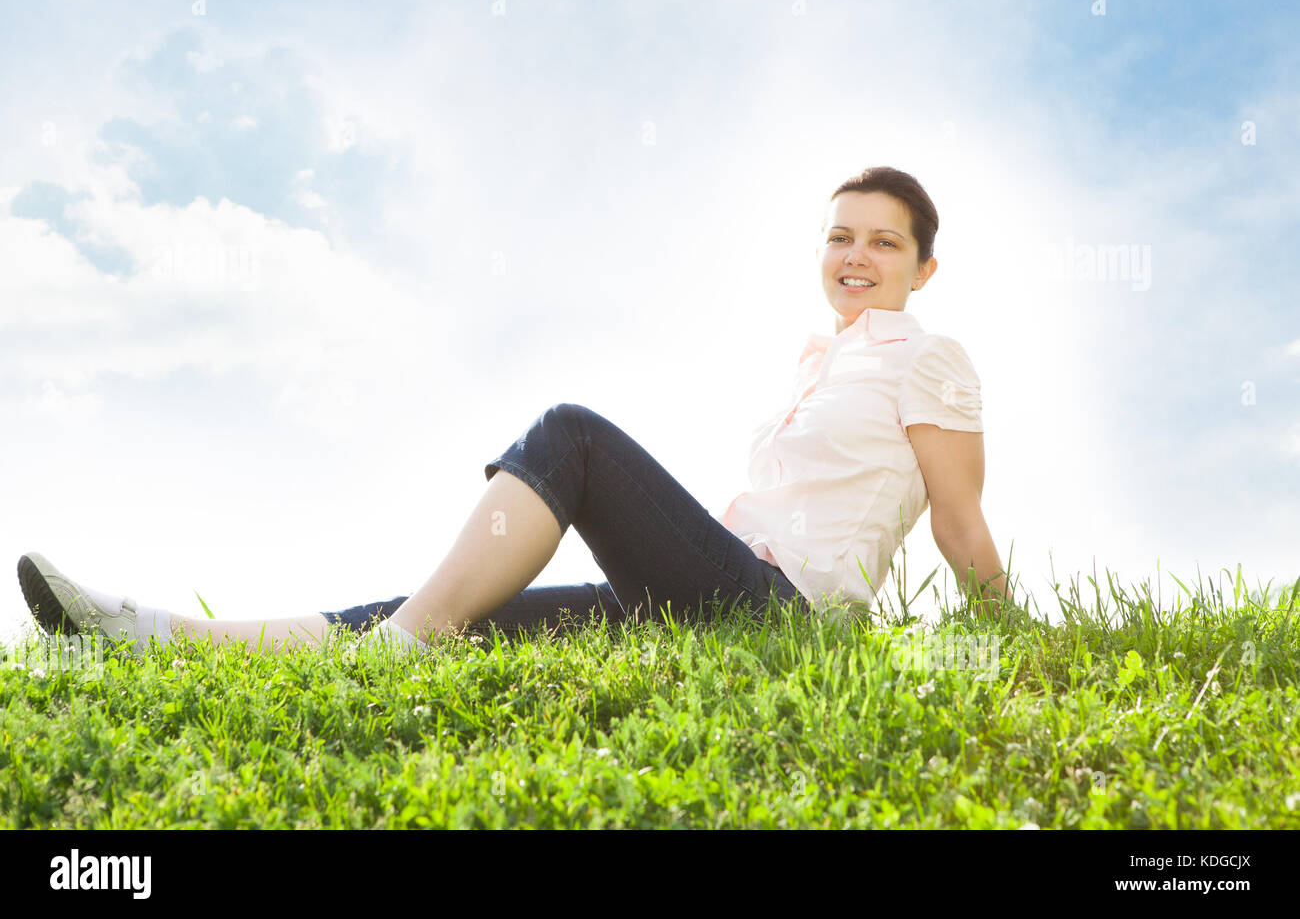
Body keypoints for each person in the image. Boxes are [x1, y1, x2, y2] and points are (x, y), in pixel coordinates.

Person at [17, 166, 1011, 659]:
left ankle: (397, 656)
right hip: (710, 592)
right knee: (464, 609)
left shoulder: (927, 357)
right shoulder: (817, 361)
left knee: (569, 434)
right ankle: (149, 630)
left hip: (778, 616)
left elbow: (957, 519)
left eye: (883, 243)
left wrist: (1010, 642)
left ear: (924, 267)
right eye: (840, 235)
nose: (855, 255)